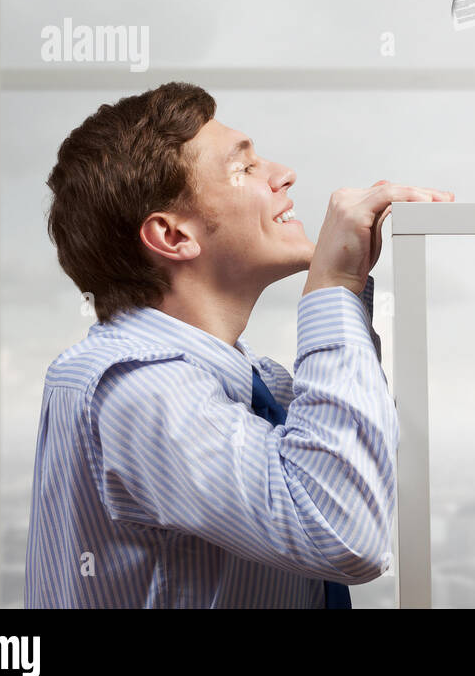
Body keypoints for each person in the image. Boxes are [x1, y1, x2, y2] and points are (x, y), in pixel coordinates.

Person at [25, 81, 453, 607]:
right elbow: (343, 532)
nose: (283, 174)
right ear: (174, 236)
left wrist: (346, 288)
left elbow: (356, 465)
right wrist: (331, 290)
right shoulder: (137, 386)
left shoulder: (257, 384)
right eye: (245, 168)